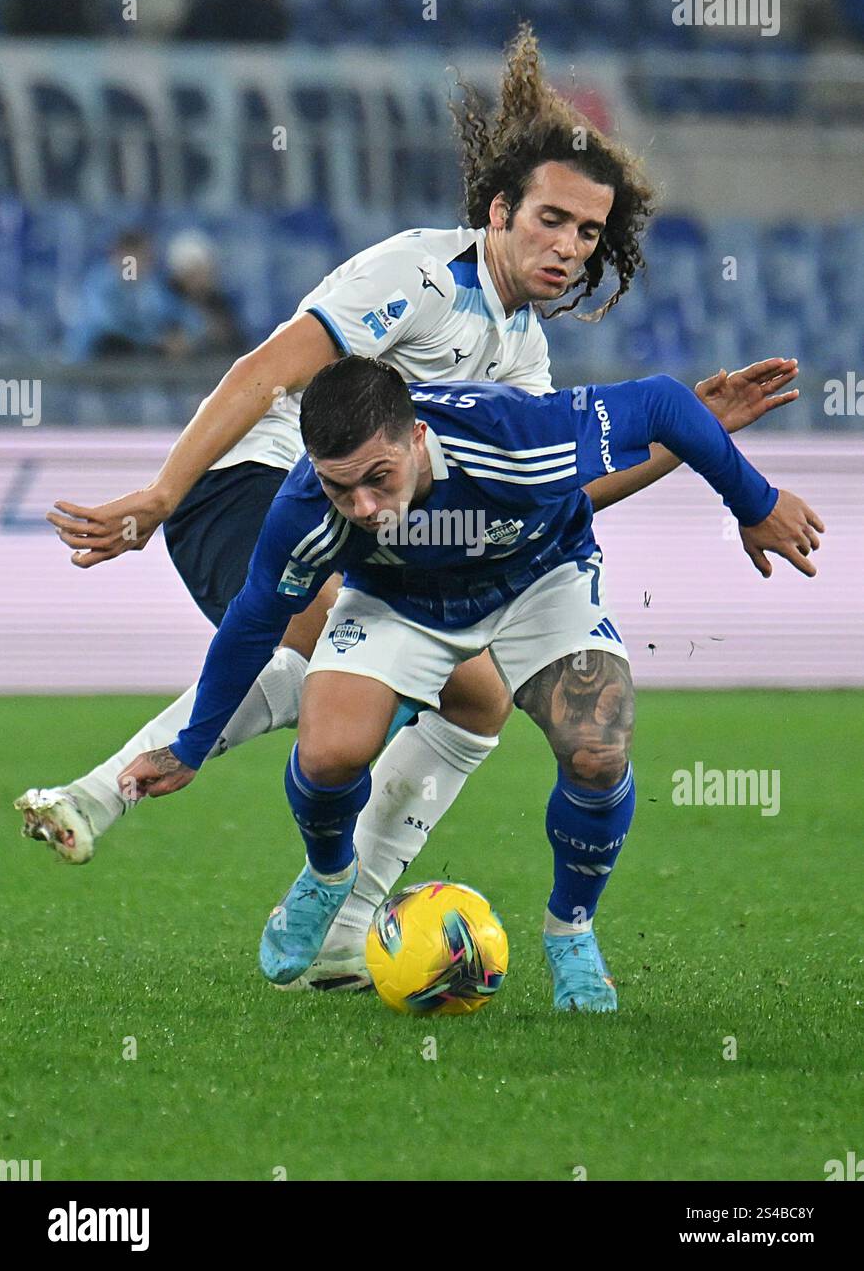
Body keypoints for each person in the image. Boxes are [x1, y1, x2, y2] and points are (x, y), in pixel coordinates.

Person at [21, 27, 798, 993]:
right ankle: (104, 796)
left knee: (473, 700)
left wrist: (688, 444)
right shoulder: (420, 278)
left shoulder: (522, 354)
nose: (566, 248)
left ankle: (348, 921)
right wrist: (161, 493)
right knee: (313, 635)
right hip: (262, 482)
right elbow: (268, 370)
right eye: (549, 221)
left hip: (372, 521)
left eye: (586, 234)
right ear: (499, 210)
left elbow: (562, 486)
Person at [115, 357, 823, 1011]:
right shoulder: (305, 508)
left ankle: (570, 931)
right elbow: (251, 621)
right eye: (339, 486)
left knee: (596, 749)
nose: (361, 506)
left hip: (537, 580)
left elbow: (666, 403)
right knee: (329, 754)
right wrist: (191, 745)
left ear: (418, 438)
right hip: (399, 600)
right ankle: (329, 876)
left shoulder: (513, 434)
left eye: (378, 478)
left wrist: (754, 501)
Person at [65, 229, 204, 362]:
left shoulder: (150, 287)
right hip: (93, 362)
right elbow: (106, 324)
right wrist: (156, 340)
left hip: (135, 361)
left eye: (144, 257)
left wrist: (184, 337)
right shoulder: (99, 283)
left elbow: (187, 316)